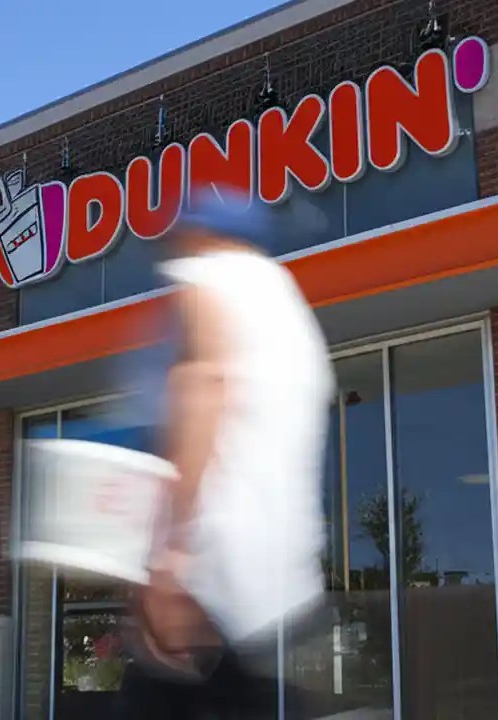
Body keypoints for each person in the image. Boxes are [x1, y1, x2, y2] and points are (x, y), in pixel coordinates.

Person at [115, 188, 334, 719]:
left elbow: (203, 390)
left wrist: (168, 557)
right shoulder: (290, 310)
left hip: (212, 575)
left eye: (181, 236)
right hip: (282, 584)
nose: (172, 252)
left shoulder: (209, 281)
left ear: (206, 235)